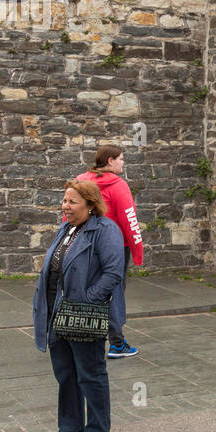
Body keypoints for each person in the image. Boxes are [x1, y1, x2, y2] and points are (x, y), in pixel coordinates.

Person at [31, 179, 126, 432]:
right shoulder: (67, 228)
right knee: (66, 374)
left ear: (90, 204)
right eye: (64, 201)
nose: (65, 206)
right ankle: (71, 428)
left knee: (90, 374)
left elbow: (113, 273)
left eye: (72, 202)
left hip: (82, 314)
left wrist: (88, 300)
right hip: (56, 314)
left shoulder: (106, 230)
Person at [76, 144, 143, 359]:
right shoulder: (118, 185)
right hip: (115, 248)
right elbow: (129, 220)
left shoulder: (81, 181)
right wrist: (138, 251)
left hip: (85, 245)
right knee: (113, 292)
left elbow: (71, 212)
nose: (123, 162)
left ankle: (84, 340)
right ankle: (116, 343)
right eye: (121, 159)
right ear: (111, 161)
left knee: (85, 288)